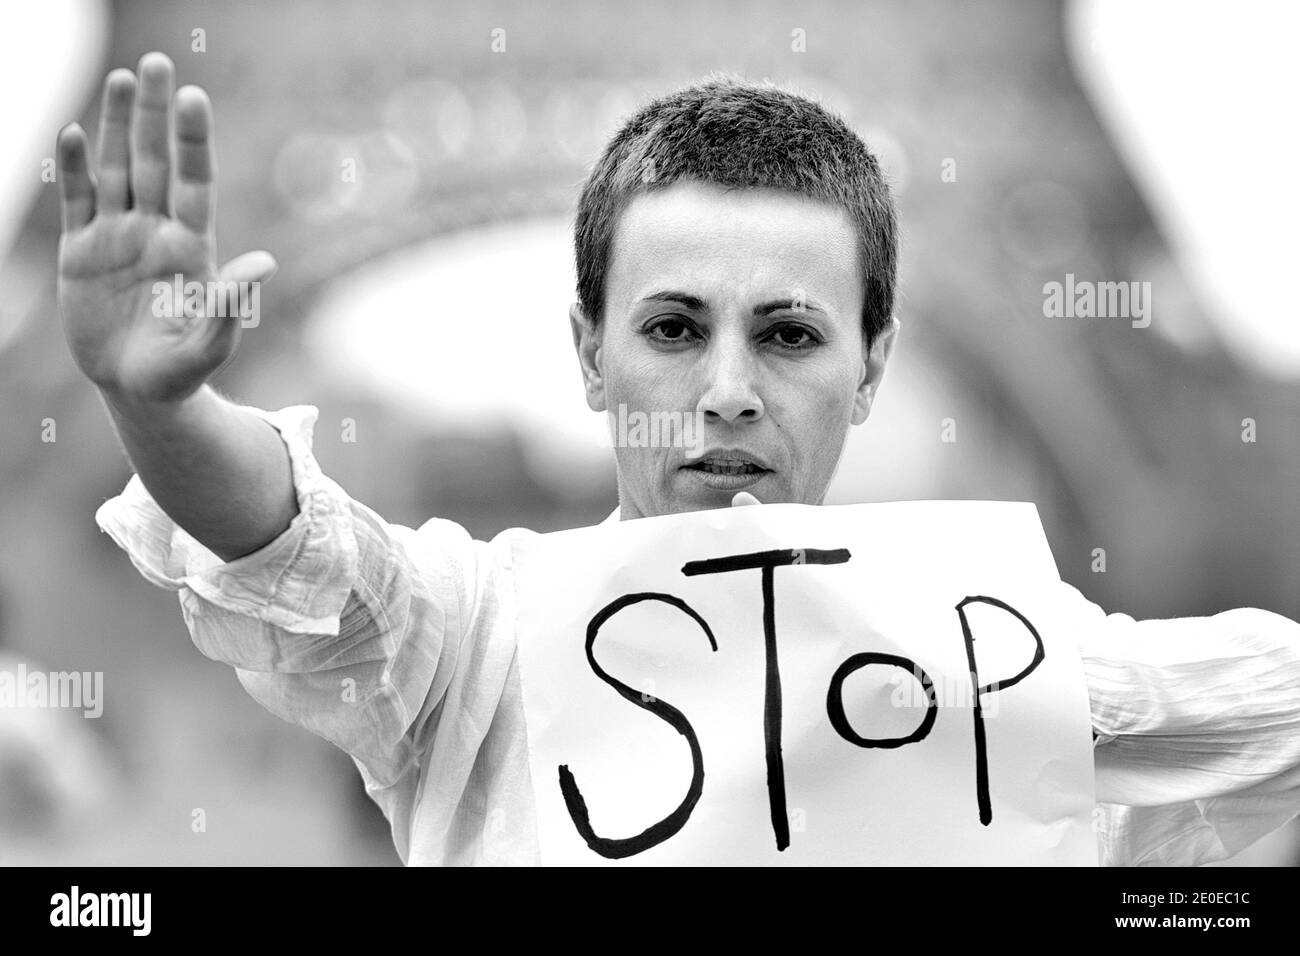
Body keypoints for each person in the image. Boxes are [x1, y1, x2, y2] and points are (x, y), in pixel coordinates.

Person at [56, 52, 1300, 866]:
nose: (725, 391)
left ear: (870, 367)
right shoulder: (476, 641)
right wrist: (155, 405)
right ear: (589, 355)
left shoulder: (1027, 669)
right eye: (670, 327)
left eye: (790, 334)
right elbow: (302, 551)